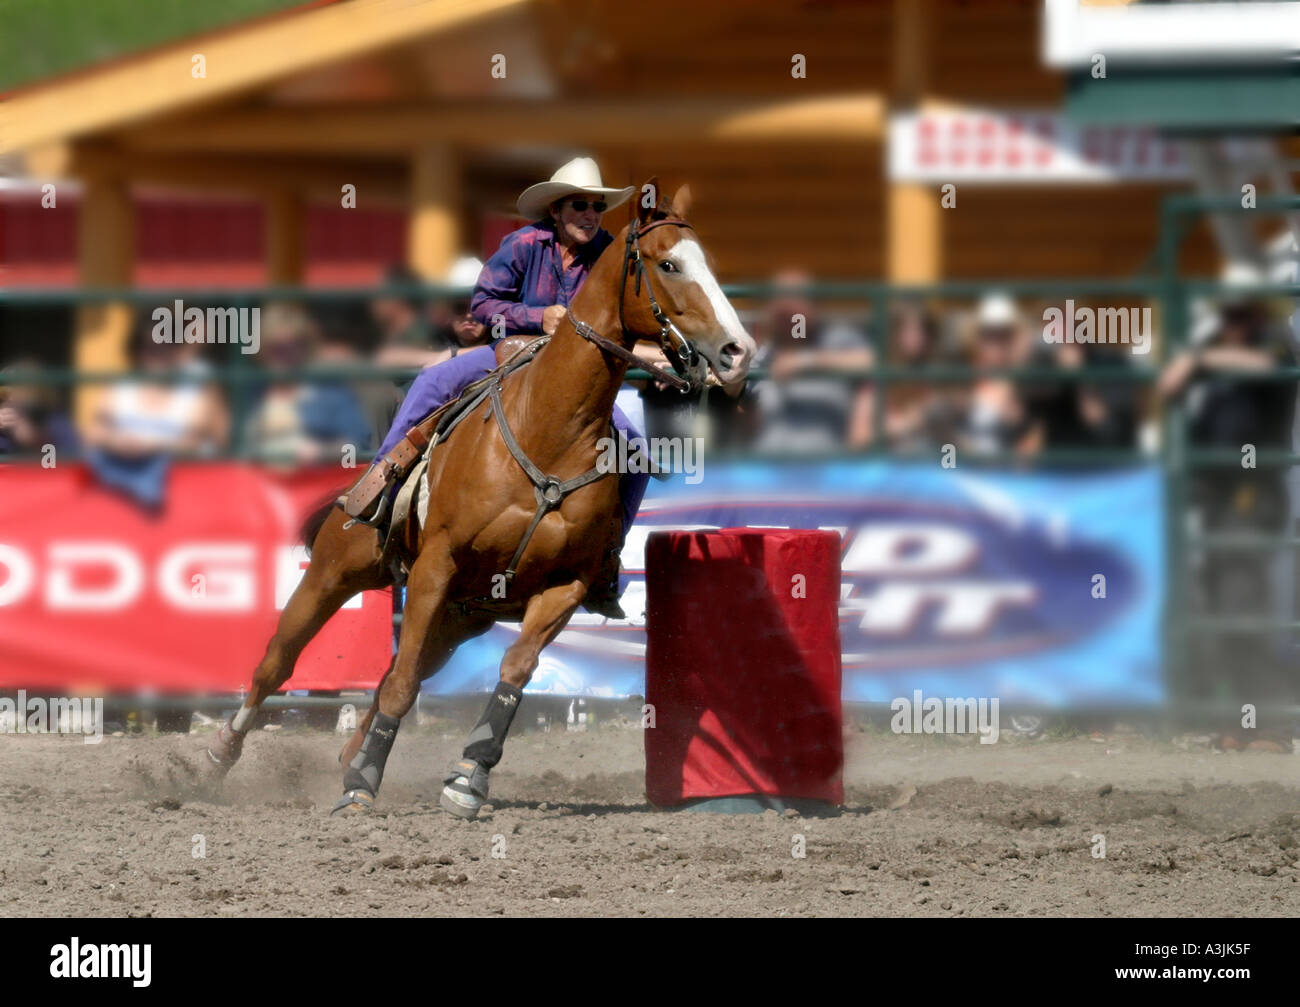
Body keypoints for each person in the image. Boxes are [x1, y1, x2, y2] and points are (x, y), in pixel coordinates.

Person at [343, 157, 650, 618]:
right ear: (556, 211)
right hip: (513, 355)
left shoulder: (609, 255)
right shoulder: (522, 245)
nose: (590, 215)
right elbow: (485, 305)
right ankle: (380, 486)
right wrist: (537, 317)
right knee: (433, 381)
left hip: (579, 374)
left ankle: (606, 558)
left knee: (635, 454)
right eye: (580, 205)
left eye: (596, 207)